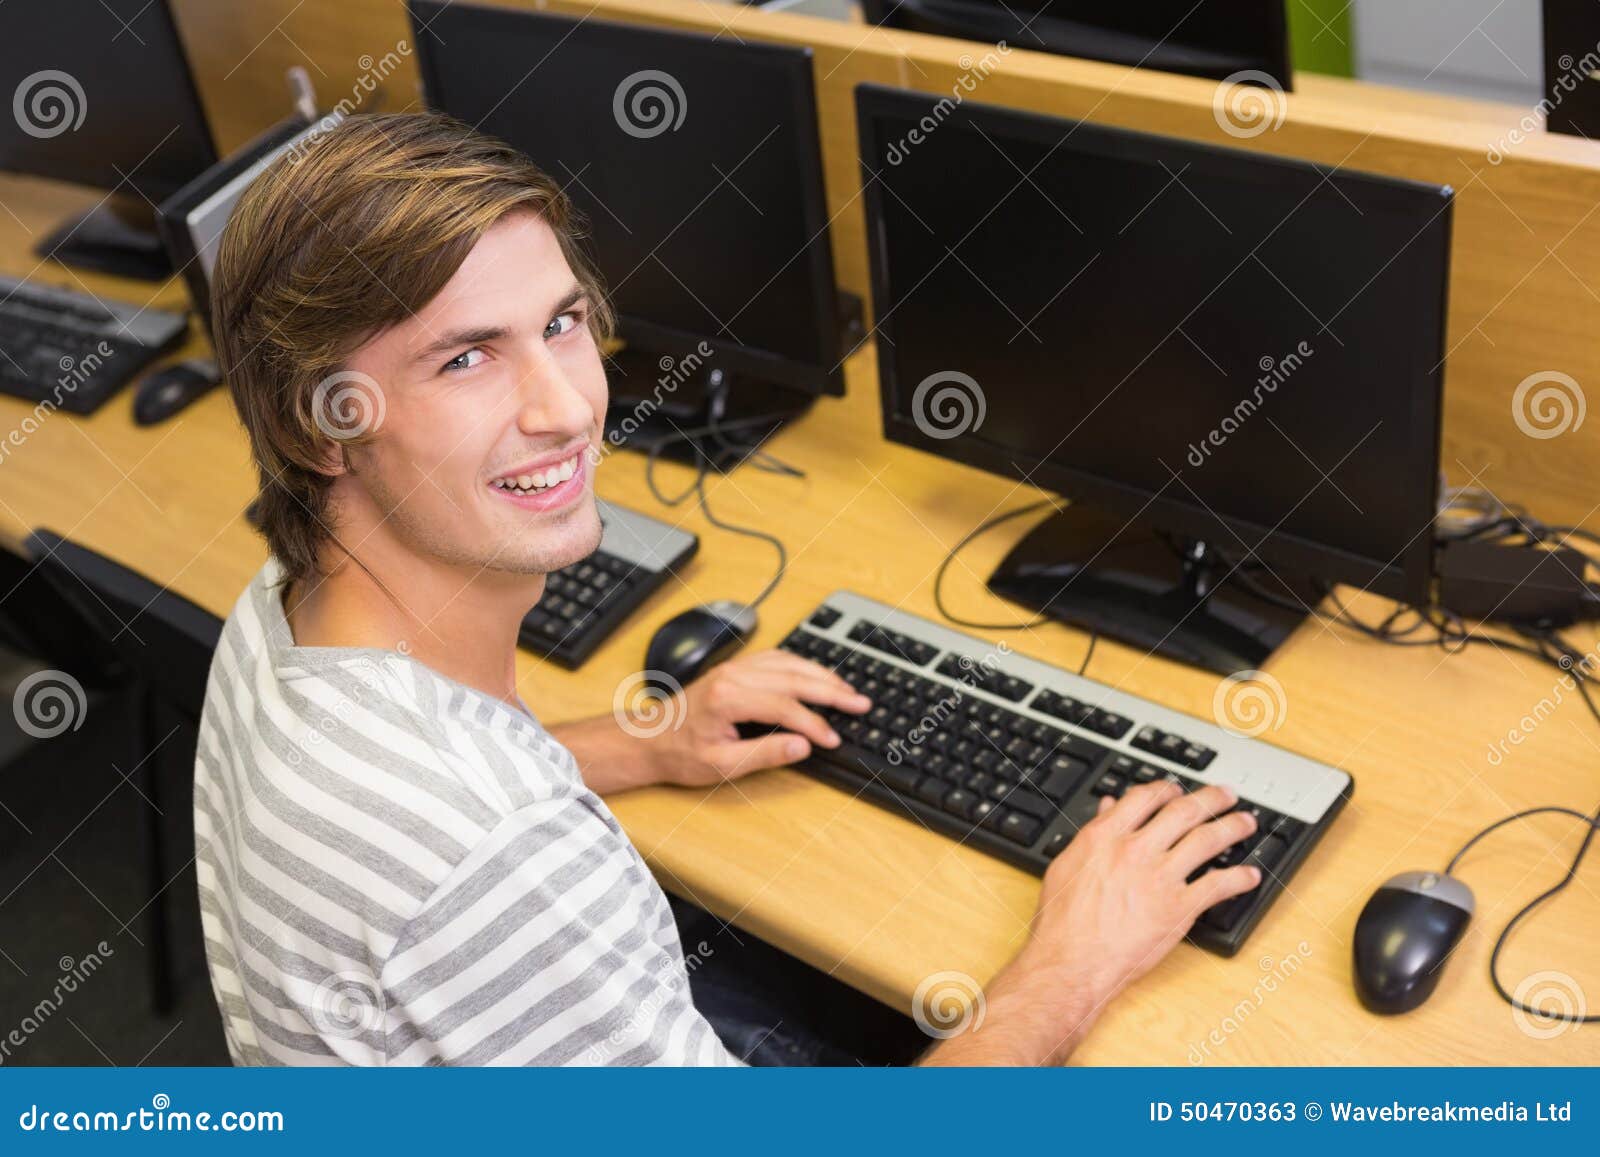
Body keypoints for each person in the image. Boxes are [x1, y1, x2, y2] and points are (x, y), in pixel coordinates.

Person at [195, 111, 1263, 1066]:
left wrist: (647, 743)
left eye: (562, 322)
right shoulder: (493, 860)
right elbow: (475, 854)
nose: (567, 406)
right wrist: (1073, 960)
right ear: (314, 423)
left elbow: (457, 824)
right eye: (466, 359)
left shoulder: (285, 604)